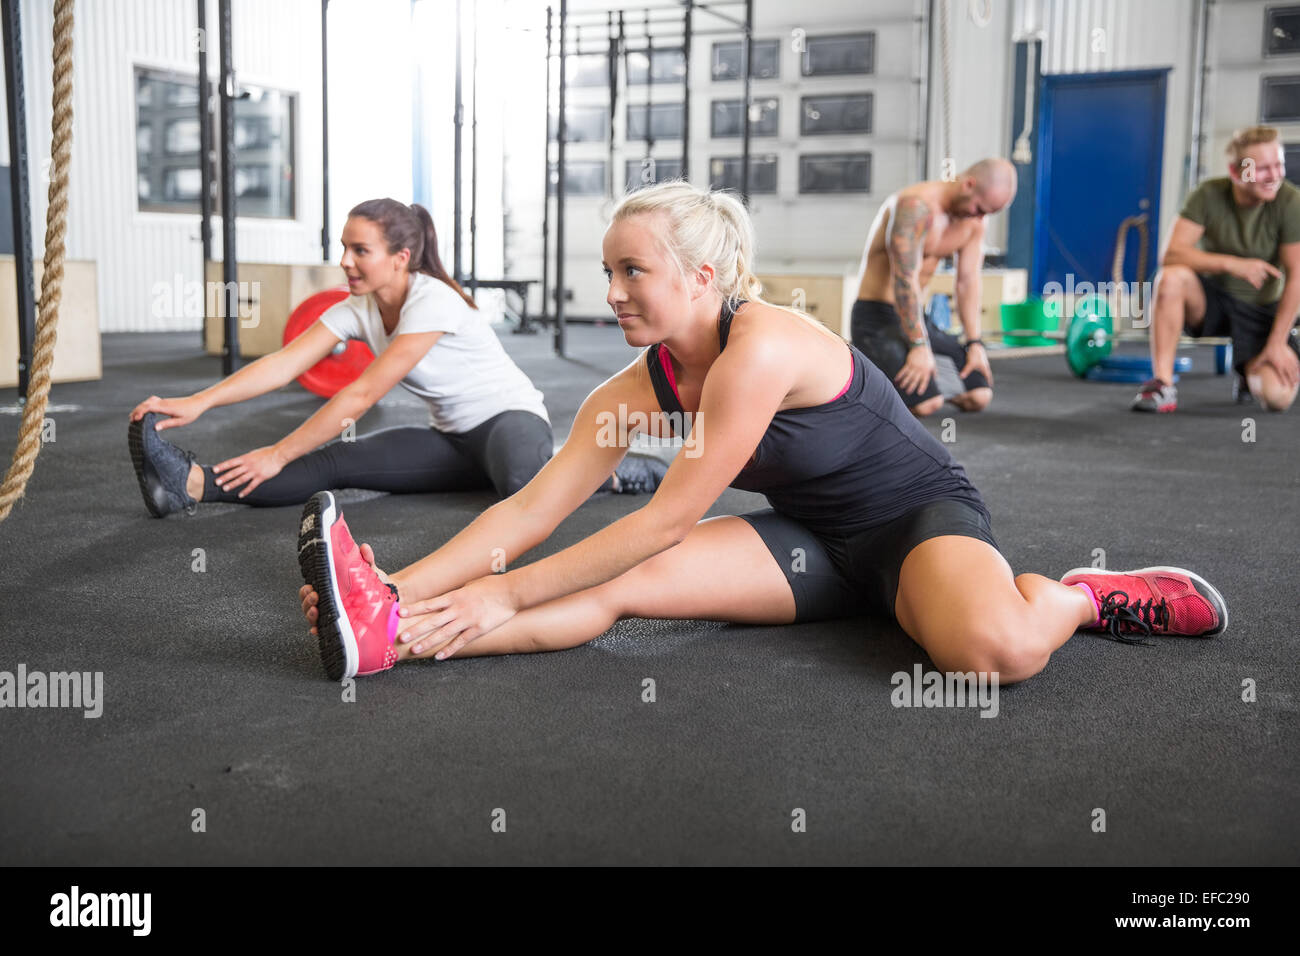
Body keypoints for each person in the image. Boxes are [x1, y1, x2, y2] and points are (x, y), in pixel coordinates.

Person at [295, 181, 1227, 684]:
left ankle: (1081, 598)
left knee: (999, 654)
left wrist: (504, 594)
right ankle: (395, 638)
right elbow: (535, 507)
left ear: (703, 277)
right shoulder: (644, 382)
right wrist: (388, 587)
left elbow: (661, 520)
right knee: (619, 589)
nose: (612, 292)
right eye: (606, 270)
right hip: (808, 543)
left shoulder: (764, 346)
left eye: (634, 271)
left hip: (914, 522)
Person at [127, 199, 666, 517]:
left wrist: (276, 451)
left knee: (523, 490)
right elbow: (285, 363)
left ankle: (617, 474)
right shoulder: (358, 307)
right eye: (344, 247)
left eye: (360, 250)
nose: (344, 261)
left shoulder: (431, 299)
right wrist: (198, 402)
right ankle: (190, 486)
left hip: (510, 420)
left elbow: (362, 393)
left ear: (400, 258)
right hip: (453, 439)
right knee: (334, 463)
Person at [1134, 125, 1300, 413]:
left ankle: (1250, 373)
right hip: (1214, 304)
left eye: (1278, 165)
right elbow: (1170, 254)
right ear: (1236, 173)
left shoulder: (1290, 202)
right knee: (1170, 278)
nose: (1274, 176)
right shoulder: (1209, 195)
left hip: (1263, 311)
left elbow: (1298, 276)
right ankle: (1162, 383)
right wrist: (1232, 264)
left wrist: (1275, 345)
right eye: (1262, 168)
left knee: (1277, 398)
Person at [850, 158, 1017, 418]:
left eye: (987, 213)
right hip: (876, 318)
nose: (980, 217)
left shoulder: (974, 221)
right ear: (968, 184)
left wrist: (975, 343)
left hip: (918, 318)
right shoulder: (914, 206)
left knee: (978, 395)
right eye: (979, 208)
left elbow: (967, 281)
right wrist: (919, 345)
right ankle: (869, 377)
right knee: (927, 404)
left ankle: (916, 378)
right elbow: (904, 279)